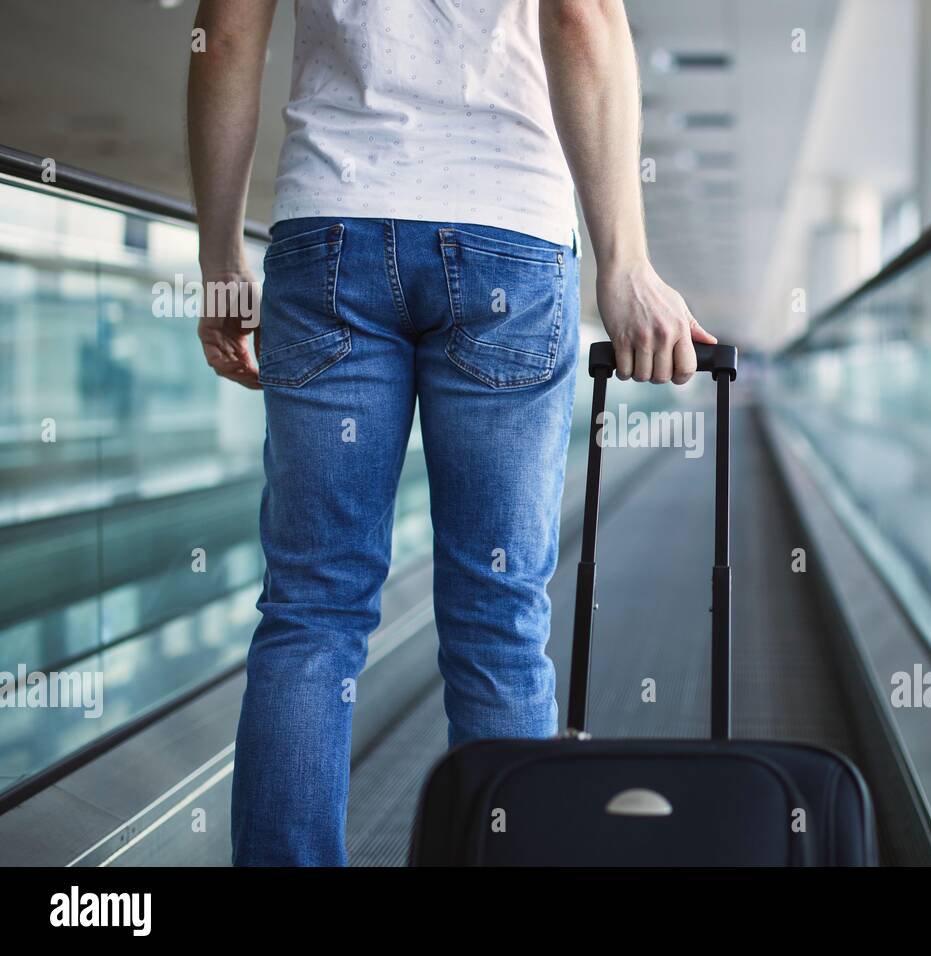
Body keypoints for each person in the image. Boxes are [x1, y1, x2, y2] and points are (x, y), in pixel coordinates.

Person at [187, 0, 715, 866]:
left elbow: (227, 31)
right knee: (499, 615)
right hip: (507, 228)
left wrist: (218, 262)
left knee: (311, 613)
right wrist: (624, 262)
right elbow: (582, 16)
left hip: (330, 232)